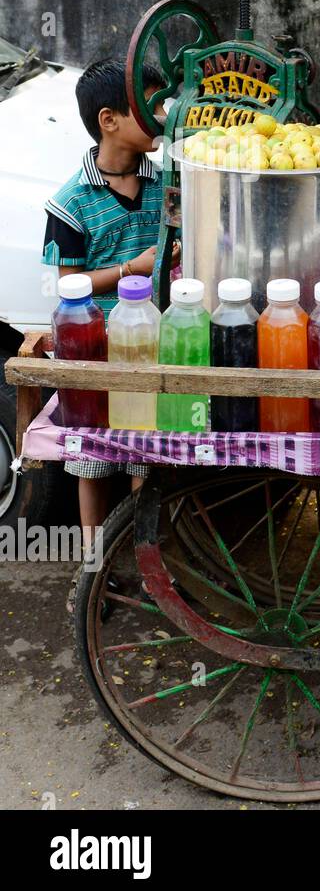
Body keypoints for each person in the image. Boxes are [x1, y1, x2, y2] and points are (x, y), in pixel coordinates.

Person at [42, 59, 168, 610]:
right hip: (93, 346)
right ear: (110, 120)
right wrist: (133, 270)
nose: (163, 115)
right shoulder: (69, 203)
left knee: (145, 457)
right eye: (151, 106)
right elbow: (68, 284)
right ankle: (94, 572)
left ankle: (147, 563)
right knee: (92, 461)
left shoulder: (163, 182)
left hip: (150, 344)